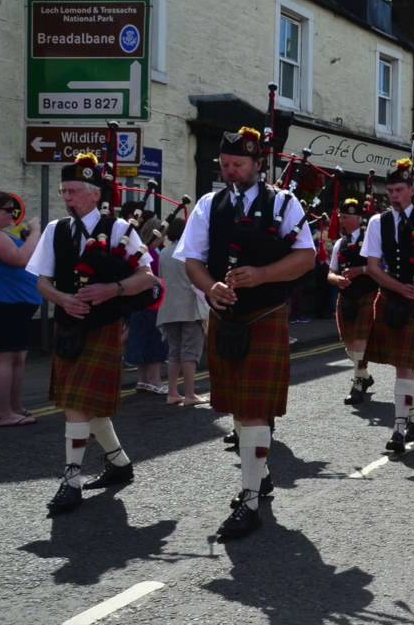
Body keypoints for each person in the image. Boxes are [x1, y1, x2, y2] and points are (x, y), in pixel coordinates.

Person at [176, 126, 315, 539]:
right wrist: (210, 286)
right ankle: (262, 476)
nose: (230, 171)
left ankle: (250, 499)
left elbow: (306, 257)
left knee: (254, 409)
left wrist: (262, 275)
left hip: (266, 314)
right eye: (225, 164)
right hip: (226, 317)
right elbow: (192, 259)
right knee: (239, 407)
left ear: (258, 165)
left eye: (238, 164)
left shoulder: (283, 203)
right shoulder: (209, 205)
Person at [27, 153, 158, 515]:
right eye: (63, 191)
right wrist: (61, 299)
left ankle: (71, 479)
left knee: (77, 404)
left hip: (103, 327)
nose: (66, 197)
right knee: (83, 404)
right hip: (68, 325)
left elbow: (147, 278)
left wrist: (112, 289)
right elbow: (41, 280)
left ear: (93, 194)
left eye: (71, 191)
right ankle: (118, 463)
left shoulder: (120, 230)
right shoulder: (56, 230)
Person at [363, 159, 414, 452]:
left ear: (412, 189)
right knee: (402, 366)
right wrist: (400, 287)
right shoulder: (377, 222)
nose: (394, 195)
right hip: (391, 297)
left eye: (399, 189)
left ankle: (399, 428)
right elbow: (372, 267)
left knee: (405, 367)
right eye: (391, 190)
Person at [0, 191, 42, 426]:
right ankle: (4, 414)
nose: (12, 214)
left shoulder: (2, 235)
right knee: (4, 358)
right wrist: (35, 232)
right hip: (4, 304)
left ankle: (15, 406)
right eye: (8, 210)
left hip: (18, 304)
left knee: (18, 357)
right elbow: (20, 258)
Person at [328, 198, 379, 406]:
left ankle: (358, 384)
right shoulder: (340, 243)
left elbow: (380, 268)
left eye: (346, 216)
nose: (342, 219)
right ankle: (365, 375)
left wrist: (361, 270)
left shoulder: (371, 240)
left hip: (367, 294)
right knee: (349, 346)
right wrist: (336, 279)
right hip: (346, 297)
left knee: (360, 343)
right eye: (341, 216)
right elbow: (330, 272)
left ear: (359, 218)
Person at [157, 217, 208, 406]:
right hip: (190, 307)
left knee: (173, 352)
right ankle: (190, 394)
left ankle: (172, 392)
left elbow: (162, 278)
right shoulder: (191, 253)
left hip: (168, 307)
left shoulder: (164, 252)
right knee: (190, 352)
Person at [126, 217, 168, 395]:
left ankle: (143, 380)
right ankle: (155, 381)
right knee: (155, 341)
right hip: (153, 302)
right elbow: (153, 278)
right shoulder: (152, 253)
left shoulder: (139, 250)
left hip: (138, 302)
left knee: (141, 340)